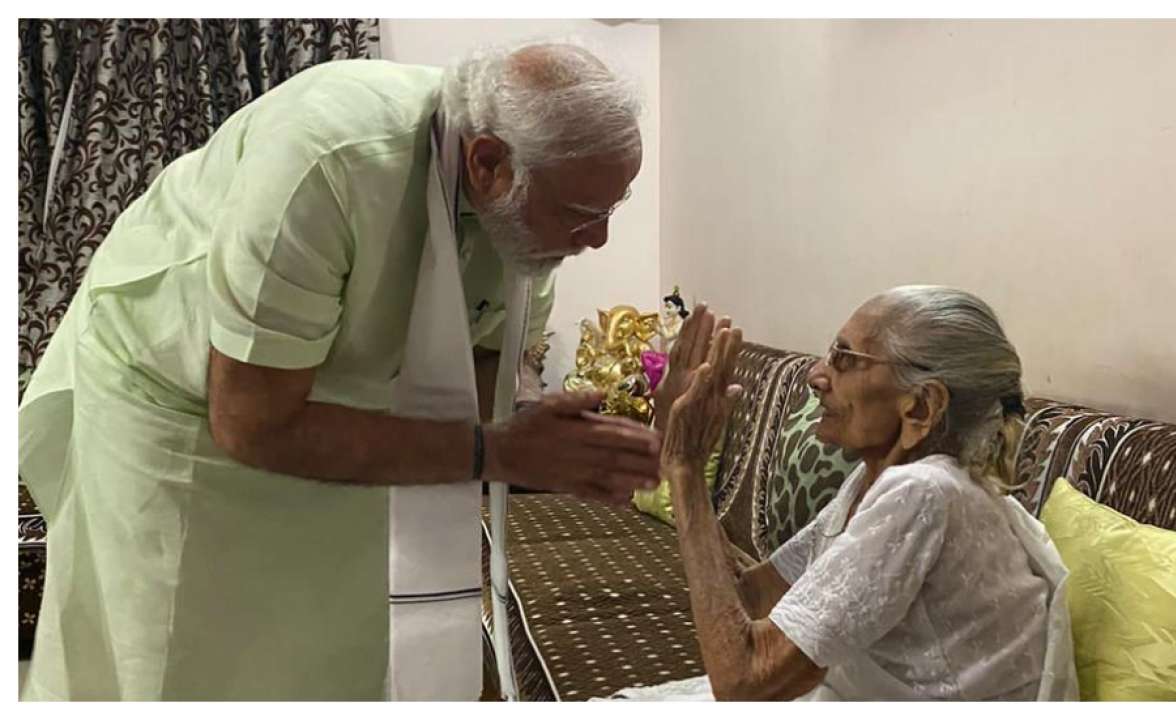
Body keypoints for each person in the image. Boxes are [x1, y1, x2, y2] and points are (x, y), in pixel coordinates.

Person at [17, 41, 661, 700]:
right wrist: (498, 451)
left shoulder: (528, 221)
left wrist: (542, 434)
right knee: (181, 656)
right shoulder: (331, 157)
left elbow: (478, 386)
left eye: (612, 209)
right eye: (583, 215)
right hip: (177, 404)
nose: (598, 239)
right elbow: (253, 424)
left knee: (334, 646)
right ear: (489, 162)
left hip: (337, 404)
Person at [628, 287, 1078, 700]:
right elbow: (755, 597)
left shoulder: (924, 493)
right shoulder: (876, 480)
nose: (816, 374)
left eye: (843, 358)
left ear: (921, 407)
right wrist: (675, 448)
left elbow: (744, 681)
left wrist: (685, 470)